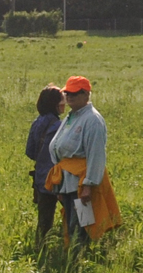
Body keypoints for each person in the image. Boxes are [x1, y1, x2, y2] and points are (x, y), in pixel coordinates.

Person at [46, 76, 113, 244]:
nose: (69, 97)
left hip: (82, 183)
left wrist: (88, 186)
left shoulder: (92, 120)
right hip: (67, 181)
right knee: (71, 222)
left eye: (74, 93)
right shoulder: (72, 116)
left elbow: (96, 155)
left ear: (86, 94)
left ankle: (80, 258)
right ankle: (73, 256)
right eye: (67, 93)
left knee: (83, 224)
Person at [24, 85, 66, 242]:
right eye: (62, 100)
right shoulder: (60, 126)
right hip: (60, 178)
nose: (64, 104)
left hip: (41, 178)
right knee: (74, 216)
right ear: (55, 104)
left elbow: (30, 152)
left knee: (44, 222)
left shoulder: (37, 123)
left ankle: (40, 248)